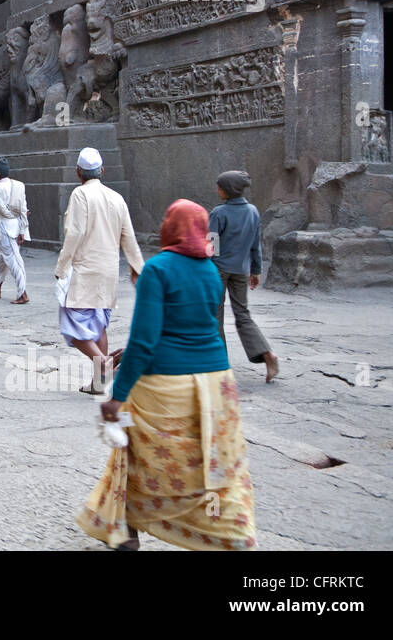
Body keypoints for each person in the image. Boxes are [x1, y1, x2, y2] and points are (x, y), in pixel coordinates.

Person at [77, 199, 256, 551]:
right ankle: (232, 531)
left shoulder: (157, 270)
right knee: (215, 463)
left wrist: (117, 395)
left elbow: (144, 341)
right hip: (218, 382)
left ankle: (125, 524)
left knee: (139, 458)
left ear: (171, 228)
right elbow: (193, 323)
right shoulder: (210, 270)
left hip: (166, 385)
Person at [55, 147, 145, 394]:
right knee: (98, 325)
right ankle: (98, 382)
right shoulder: (117, 198)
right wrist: (139, 269)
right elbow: (129, 237)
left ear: (78, 172)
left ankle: (103, 364)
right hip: (108, 272)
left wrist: (62, 265)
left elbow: (74, 233)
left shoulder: (80, 194)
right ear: (102, 171)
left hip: (85, 270)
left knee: (72, 324)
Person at [210, 170, 279, 382]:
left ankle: (219, 365)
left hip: (219, 270)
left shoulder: (218, 213)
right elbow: (255, 244)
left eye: (219, 187)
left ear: (226, 190)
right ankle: (267, 354)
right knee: (242, 314)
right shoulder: (252, 211)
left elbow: (211, 245)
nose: (217, 190)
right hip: (242, 269)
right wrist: (256, 270)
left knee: (215, 315)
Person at [0, 158, 30, 304]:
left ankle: (22, 293)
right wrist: (22, 229)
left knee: (14, 260)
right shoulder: (19, 185)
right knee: (3, 259)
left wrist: (17, 218)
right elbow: (24, 209)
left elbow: (3, 211)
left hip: (6, 227)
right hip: (17, 226)